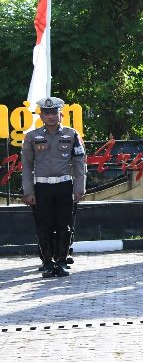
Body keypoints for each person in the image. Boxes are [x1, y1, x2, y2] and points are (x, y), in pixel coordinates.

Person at [21, 96, 86, 277]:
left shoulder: (72, 134)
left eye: (54, 112)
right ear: (41, 116)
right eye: (47, 113)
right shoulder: (32, 137)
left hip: (65, 186)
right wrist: (28, 192)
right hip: (41, 187)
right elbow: (26, 166)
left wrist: (79, 189)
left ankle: (62, 261)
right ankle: (48, 262)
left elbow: (79, 163)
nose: (51, 116)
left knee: (64, 226)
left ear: (61, 114)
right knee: (44, 226)